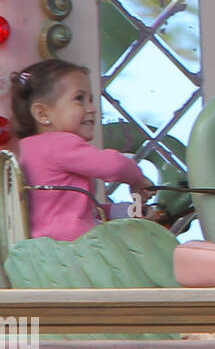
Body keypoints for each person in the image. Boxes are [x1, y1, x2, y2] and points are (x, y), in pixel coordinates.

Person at [11, 59, 154, 242]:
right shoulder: (59, 145)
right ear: (42, 114)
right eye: (79, 99)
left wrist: (128, 211)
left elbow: (87, 212)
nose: (92, 109)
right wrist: (137, 178)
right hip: (74, 245)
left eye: (91, 100)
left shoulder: (31, 148)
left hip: (47, 247)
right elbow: (113, 166)